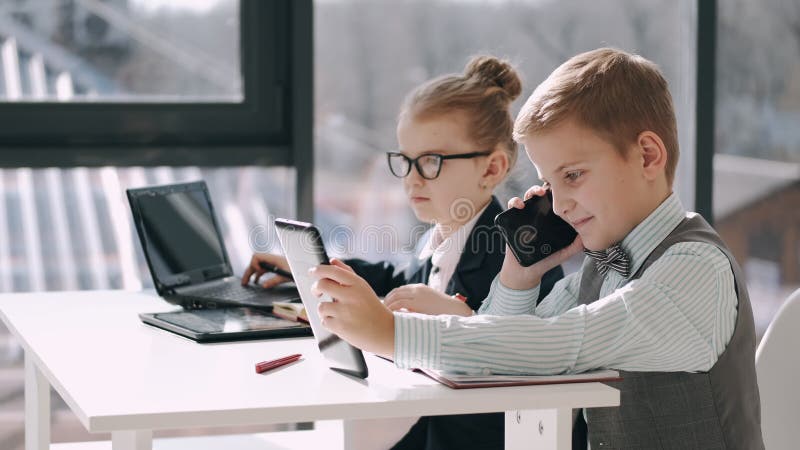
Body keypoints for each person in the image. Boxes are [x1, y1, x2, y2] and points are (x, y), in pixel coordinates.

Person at [310, 47, 765, 449]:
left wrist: (393, 333)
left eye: (572, 176)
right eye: (549, 183)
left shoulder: (694, 269)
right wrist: (518, 273)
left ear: (648, 155)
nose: (560, 203)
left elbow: (564, 344)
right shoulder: (603, 270)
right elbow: (497, 366)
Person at [242, 55, 564, 450]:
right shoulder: (442, 236)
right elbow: (402, 280)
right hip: (428, 421)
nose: (411, 179)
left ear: (492, 169)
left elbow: (531, 351)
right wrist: (317, 270)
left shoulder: (519, 257)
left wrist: (458, 315)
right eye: (406, 161)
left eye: (430, 162)